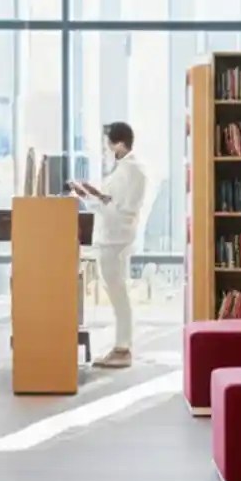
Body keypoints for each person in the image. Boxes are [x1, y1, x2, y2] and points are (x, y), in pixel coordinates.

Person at [67, 122, 147, 368]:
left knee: (118, 295)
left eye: (108, 144)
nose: (106, 149)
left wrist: (93, 199)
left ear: (119, 144)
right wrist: (92, 197)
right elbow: (112, 201)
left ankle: (123, 349)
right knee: (117, 294)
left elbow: (120, 208)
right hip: (114, 236)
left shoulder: (131, 170)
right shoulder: (126, 168)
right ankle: (121, 347)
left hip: (116, 238)